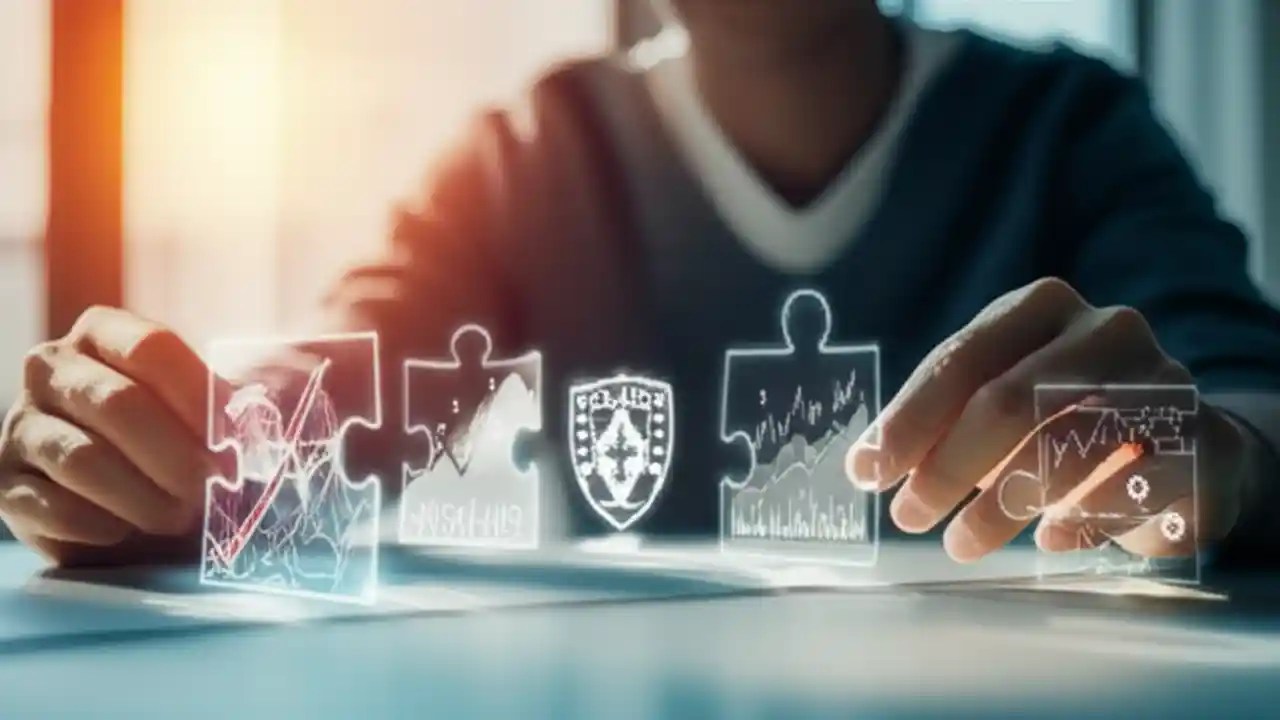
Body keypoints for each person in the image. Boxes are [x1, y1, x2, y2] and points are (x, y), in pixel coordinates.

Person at [2, 0, 1278, 568]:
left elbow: (1247, 399)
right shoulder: (530, 156)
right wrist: (173, 448)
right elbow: (349, 382)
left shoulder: (1070, 126)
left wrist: (1220, 457)